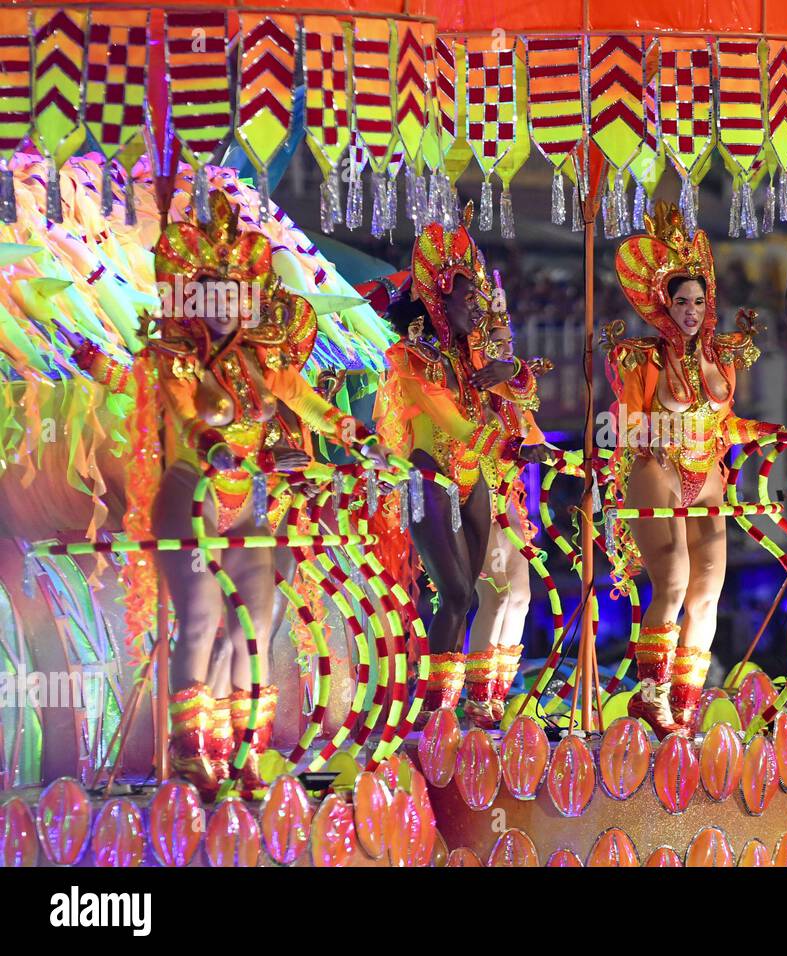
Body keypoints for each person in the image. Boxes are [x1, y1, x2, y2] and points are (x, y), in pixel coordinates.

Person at [73, 192, 391, 795]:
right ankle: (189, 750)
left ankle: (243, 750)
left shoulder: (256, 361)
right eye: (212, 289)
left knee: (255, 624)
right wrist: (211, 445)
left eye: (236, 289)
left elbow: (313, 406)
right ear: (193, 293)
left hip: (246, 501)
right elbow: (184, 412)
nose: (225, 303)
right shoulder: (176, 355)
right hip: (189, 495)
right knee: (200, 616)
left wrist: (361, 437)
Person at [603, 201, 787, 738]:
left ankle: (684, 701)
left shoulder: (722, 355)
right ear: (663, 304)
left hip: (707, 473)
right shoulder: (642, 357)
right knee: (671, 585)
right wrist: (652, 434)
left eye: (698, 300)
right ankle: (649, 697)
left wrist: (776, 433)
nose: (691, 311)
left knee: (707, 592)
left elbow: (727, 425)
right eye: (681, 301)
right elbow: (627, 425)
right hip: (660, 468)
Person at [372, 208, 547, 719]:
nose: (477, 307)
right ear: (439, 298)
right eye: (467, 297)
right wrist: (510, 448)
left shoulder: (471, 359)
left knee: (471, 595)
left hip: (475, 481)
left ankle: (455, 705)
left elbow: (522, 400)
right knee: (453, 594)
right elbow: (453, 423)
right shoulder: (409, 358)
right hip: (430, 477)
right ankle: (429, 710)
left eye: (479, 298)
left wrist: (512, 370)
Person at [463, 298, 555, 727]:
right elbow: (468, 439)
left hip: (511, 498)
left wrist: (574, 460)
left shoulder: (511, 398)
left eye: (508, 344)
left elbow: (535, 435)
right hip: (472, 494)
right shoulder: (466, 386)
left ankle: (498, 693)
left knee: (521, 597)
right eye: (495, 344)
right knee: (495, 594)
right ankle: (477, 697)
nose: (504, 353)